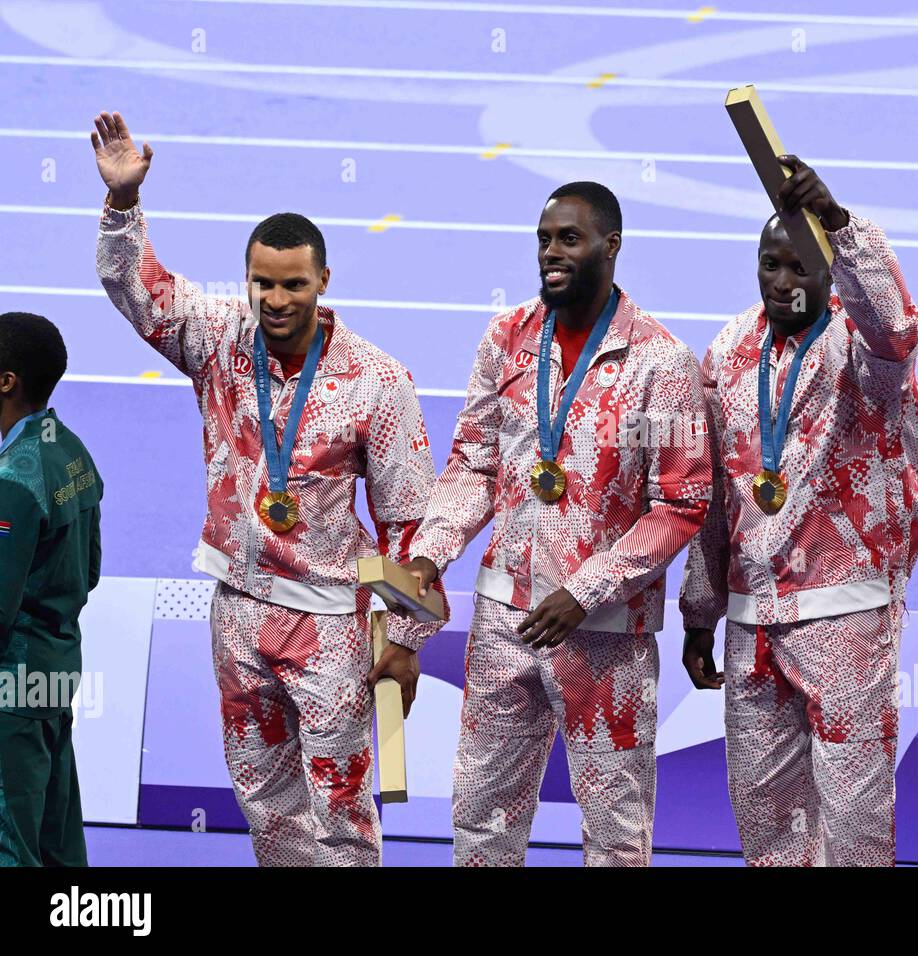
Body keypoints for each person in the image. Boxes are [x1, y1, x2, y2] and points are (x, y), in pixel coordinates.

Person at [92, 111, 445, 867]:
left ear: (323, 280)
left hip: (331, 628)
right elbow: (138, 290)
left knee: (342, 813)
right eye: (262, 284)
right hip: (237, 612)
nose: (276, 301)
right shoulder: (219, 341)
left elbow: (411, 525)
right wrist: (123, 205)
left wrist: (407, 640)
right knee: (265, 805)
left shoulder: (377, 381)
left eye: (293, 285)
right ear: (246, 279)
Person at [403, 182, 711, 866]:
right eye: (544, 239)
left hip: (604, 638)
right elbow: (474, 463)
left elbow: (682, 503)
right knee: (481, 816)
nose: (551, 253)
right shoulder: (505, 338)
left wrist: (588, 590)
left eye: (568, 239)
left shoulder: (664, 363)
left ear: (612, 246)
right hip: (503, 622)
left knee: (615, 834)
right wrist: (431, 552)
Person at [678, 156, 918, 866]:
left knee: (854, 827)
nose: (783, 282)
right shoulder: (728, 351)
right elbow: (716, 492)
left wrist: (842, 225)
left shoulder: (865, 348)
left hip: (844, 614)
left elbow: (900, 328)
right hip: (753, 622)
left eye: (800, 267)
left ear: (828, 272)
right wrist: (701, 612)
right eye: (769, 265)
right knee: (770, 831)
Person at [0, 312, 102, 867]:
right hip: (55, 671)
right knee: (55, 835)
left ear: (6, 380)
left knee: (9, 842)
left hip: (10, 689)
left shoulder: (13, 479)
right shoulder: (71, 451)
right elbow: (89, 571)